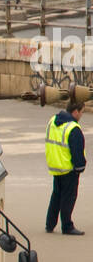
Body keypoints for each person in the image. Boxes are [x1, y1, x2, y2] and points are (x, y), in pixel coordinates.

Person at [45, 100, 86, 235]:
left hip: (55, 166)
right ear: (75, 112)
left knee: (56, 195)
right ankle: (67, 226)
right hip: (69, 169)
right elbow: (77, 151)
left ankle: (50, 224)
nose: (81, 115)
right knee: (68, 197)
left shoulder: (53, 120)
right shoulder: (73, 128)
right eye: (81, 112)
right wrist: (80, 167)